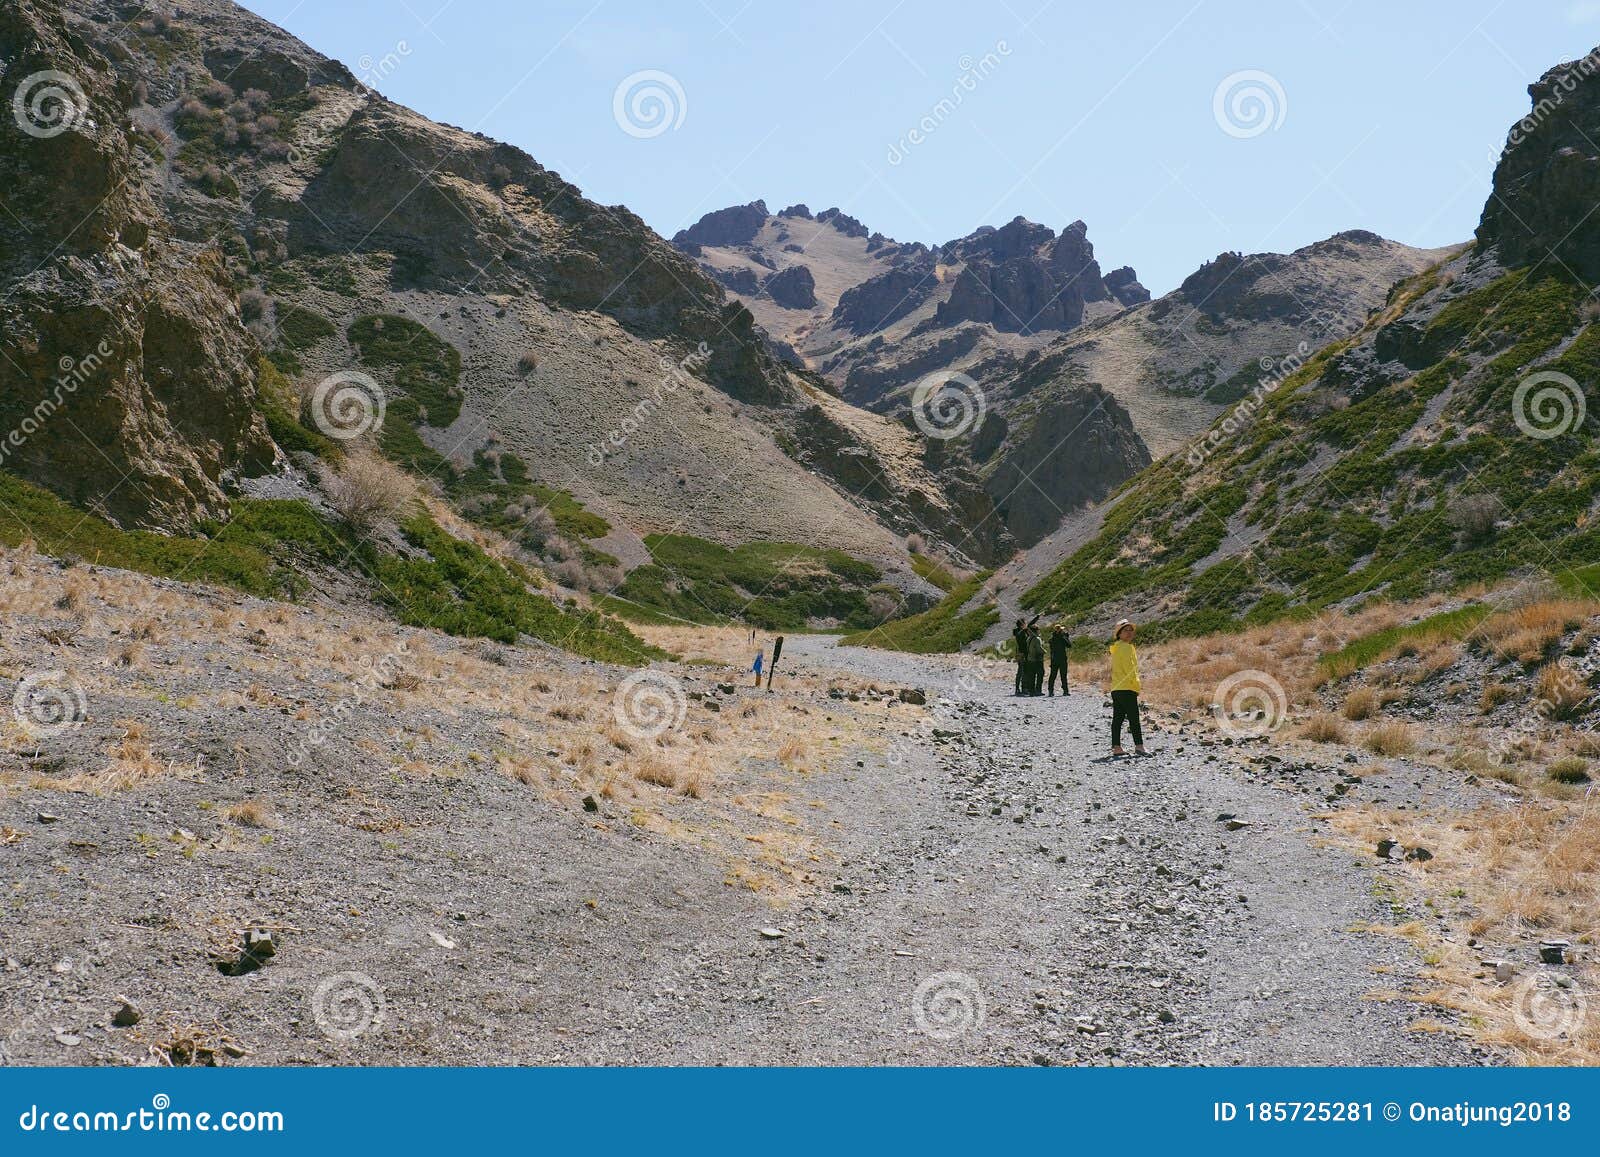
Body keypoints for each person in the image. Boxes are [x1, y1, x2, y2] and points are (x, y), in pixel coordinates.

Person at [1109, 618, 1145, 756]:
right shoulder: (1126, 647)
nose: (1129, 632)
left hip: (1116, 688)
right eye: (1125, 630)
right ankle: (1139, 746)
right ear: (1119, 633)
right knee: (1133, 717)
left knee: (1117, 718)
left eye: (1131, 630)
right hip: (1126, 687)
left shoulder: (1116, 647)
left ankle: (1117, 748)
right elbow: (1130, 669)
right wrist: (1135, 685)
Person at [1048, 624, 1070, 697]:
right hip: (1062, 659)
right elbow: (1069, 645)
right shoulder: (1062, 638)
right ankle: (1065, 691)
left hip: (1054, 659)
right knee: (1063, 675)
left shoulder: (1052, 639)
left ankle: (1050, 691)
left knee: (1052, 675)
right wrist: (1066, 637)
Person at [1025, 624, 1046, 695]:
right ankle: (1038, 690)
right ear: (1036, 630)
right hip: (1037, 660)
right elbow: (1039, 649)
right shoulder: (1037, 639)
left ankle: (1031, 691)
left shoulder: (1028, 638)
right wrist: (1045, 651)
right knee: (1040, 674)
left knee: (1031, 676)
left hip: (1030, 659)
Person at [1011, 618, 1028, 696]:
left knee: (1024, 671)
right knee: (1021, 671)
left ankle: (1023, 688)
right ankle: (1018, 688)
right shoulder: (1018, 631)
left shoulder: (1021, 631)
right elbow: (1020, 634)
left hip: (1022, 652)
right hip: (1021, 653)